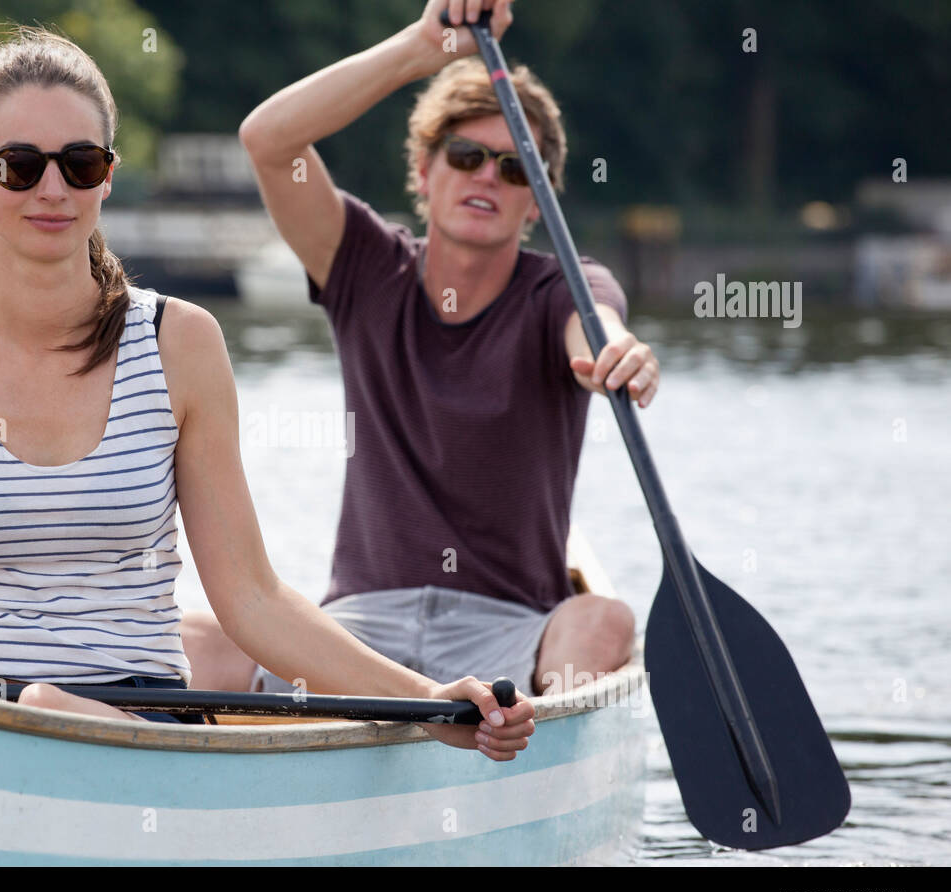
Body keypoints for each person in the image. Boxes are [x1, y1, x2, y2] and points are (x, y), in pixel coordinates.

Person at [0, 25, 533, 760]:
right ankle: (46, 716)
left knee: (66, 715)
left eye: (80, 164)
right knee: (33, 711)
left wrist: (428, 700)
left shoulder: (180, 344)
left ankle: (64, 720)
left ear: (108, 176)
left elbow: (250, 598)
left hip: (142, 719)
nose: (53, 189)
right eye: (21, 166)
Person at [184, 0, 658, 699]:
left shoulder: (564, 288)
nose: (487, 177)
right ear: (424, 170)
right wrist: (421, 46)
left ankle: (522, 742)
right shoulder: (366, 269)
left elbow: (596, 328)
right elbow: (268, 140)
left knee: (604, 621)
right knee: (188, 638)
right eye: (466, 156)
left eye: (515, 168)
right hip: (357, 635)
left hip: (510, 632)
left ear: (539, 203)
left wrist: (619, 352)